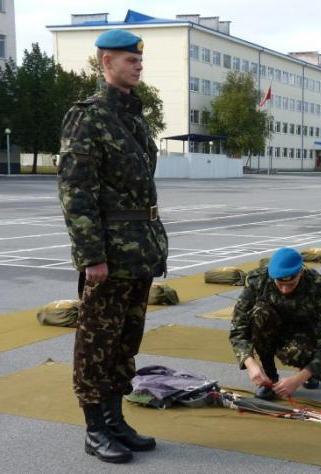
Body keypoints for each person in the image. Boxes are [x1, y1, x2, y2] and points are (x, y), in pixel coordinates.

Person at [57, 30, 168, 464]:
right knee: (96, 343)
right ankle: (94, 429)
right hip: (109, 254)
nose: (137, 65)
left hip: (139, 250)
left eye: (139, 60)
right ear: (106, 63)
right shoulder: (88, 116)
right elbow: (76, 191)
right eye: (128, 60)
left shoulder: (134, 117)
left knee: (124, 342)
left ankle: (115, 420)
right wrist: (91, 256)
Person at [230, 247, 321, 401]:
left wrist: (299, 378)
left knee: (301, 353)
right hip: (271, 331)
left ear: (301, 272)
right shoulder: (258, 281)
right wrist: (250, 364)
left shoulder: (317, 286)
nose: (285, 290)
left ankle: (308, 370)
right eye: (279, 284)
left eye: (291, 284)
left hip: (303, 336)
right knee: (260, 314)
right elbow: (238, 329)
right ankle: (269, 377)